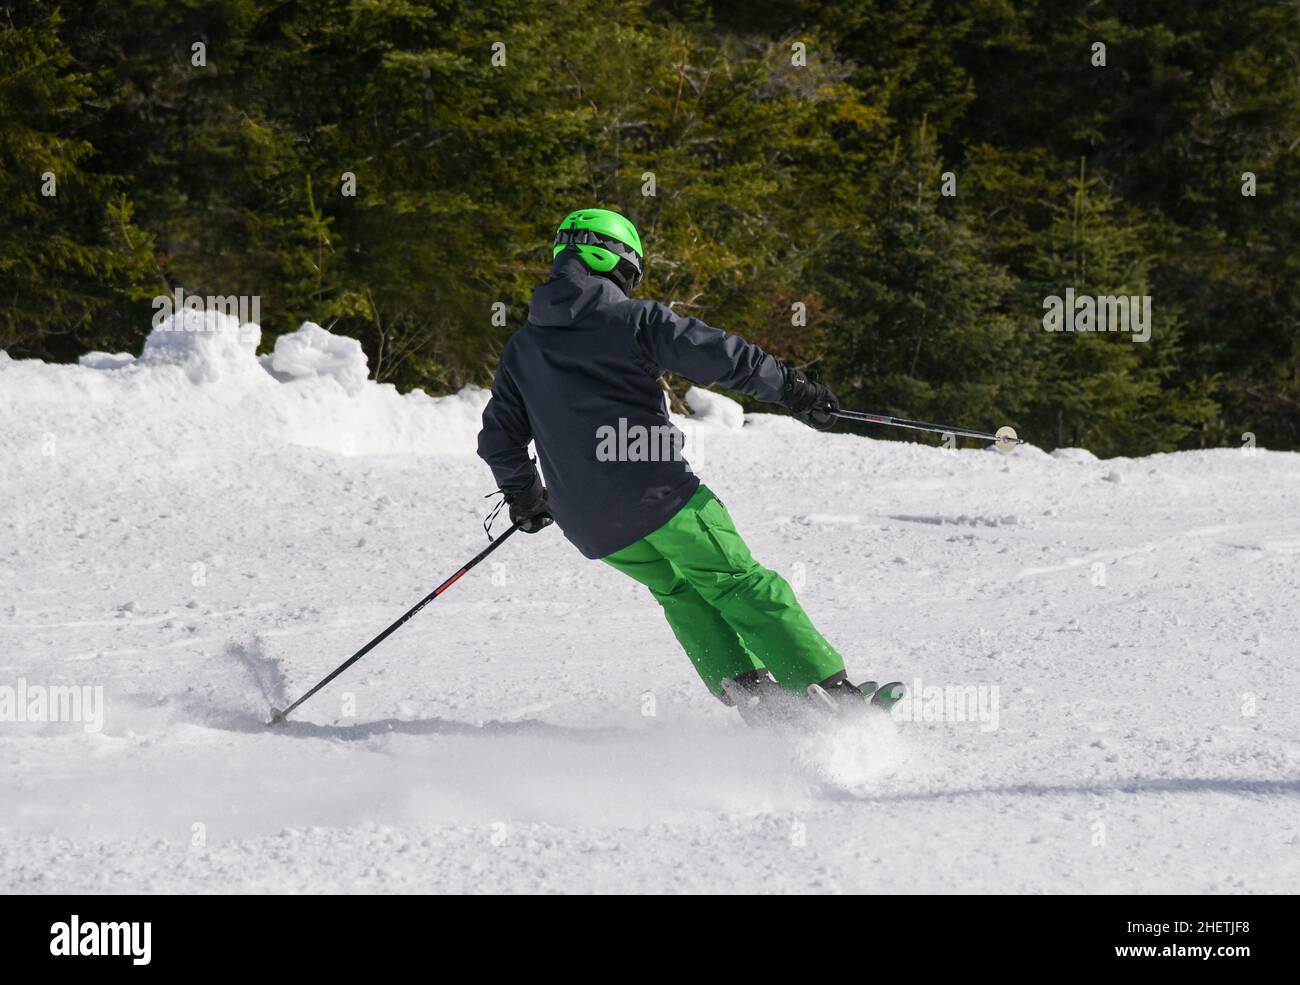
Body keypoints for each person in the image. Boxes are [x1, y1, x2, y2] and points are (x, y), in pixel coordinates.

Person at [477, 208, 888, 722]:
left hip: (590, 525)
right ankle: (832, 695)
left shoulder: (523, 346)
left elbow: (500, 437)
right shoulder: (634, 319)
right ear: (618, 260)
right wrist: (794, 389)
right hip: (660, 496)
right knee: (739, 582)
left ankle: (756, 700)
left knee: (679, 590)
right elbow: (722, 356)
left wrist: (526, 496)